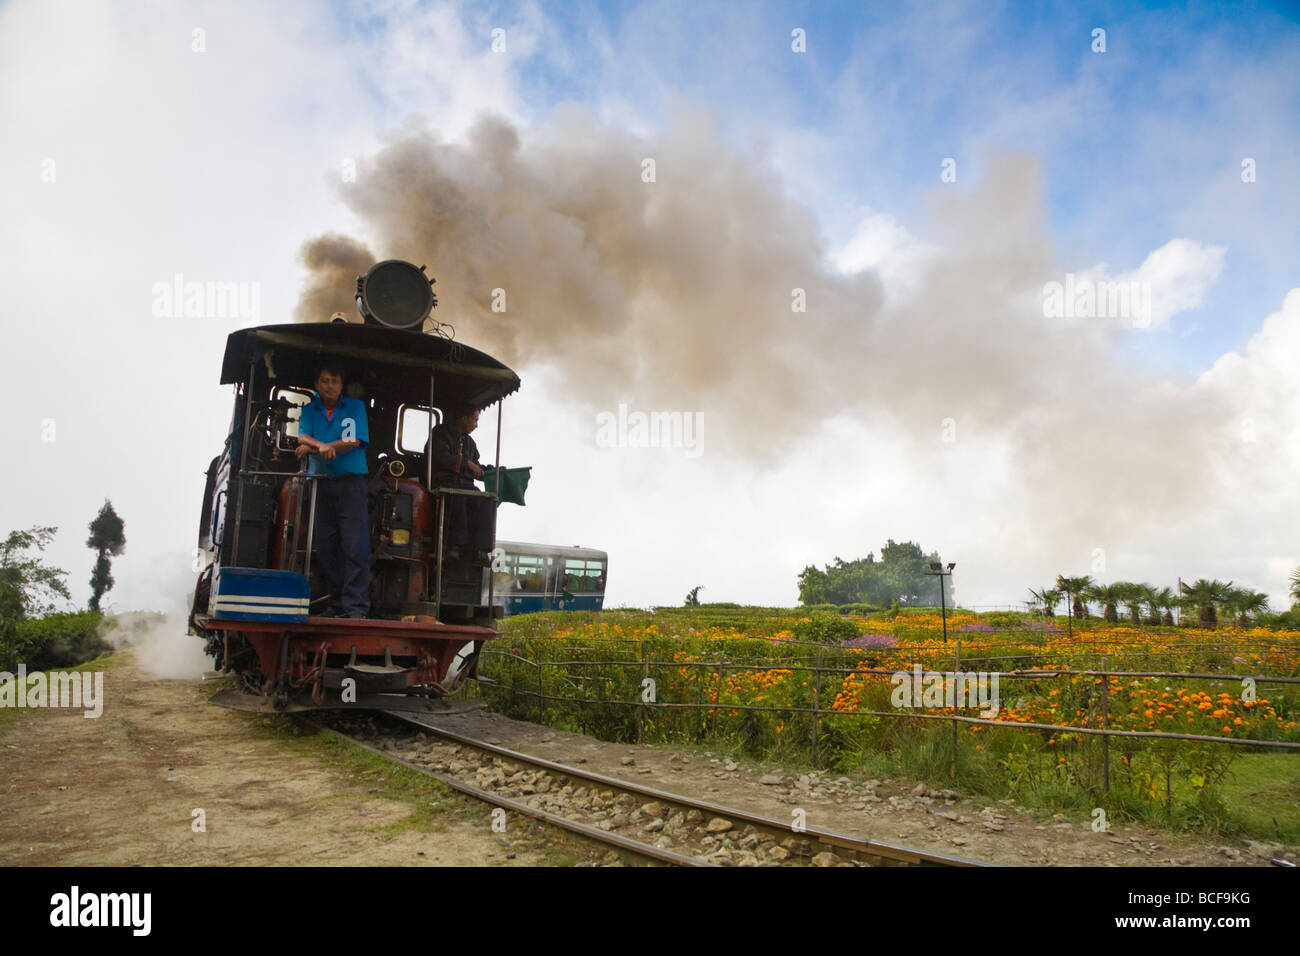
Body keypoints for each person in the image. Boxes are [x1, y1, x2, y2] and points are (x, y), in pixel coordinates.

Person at [296, 365, 370, 618]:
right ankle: (336, 604)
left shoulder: (353, 408)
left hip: (351, 483)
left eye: (334, 380)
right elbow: (302, 437)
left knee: (355, 546)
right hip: (320, 482)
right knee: (326, 547)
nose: (330, 386)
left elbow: (353, 441)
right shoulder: (310, 409)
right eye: (325, 381)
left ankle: (356, 606)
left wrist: (318, 447)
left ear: (341, 384)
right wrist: (321, 446)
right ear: (317, 384)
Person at [425, 406, 496, 562]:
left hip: (465, 484)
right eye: (475, 420)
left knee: (486, 499)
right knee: (459, 496)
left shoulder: (469, 443)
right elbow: (439, 458)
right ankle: (456, 545)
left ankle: (481, 549)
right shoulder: (440, 433)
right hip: (444, 481)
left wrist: (492, 472)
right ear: (464, 418)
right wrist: (466, 463)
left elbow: (476, 468)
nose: (476, 425)